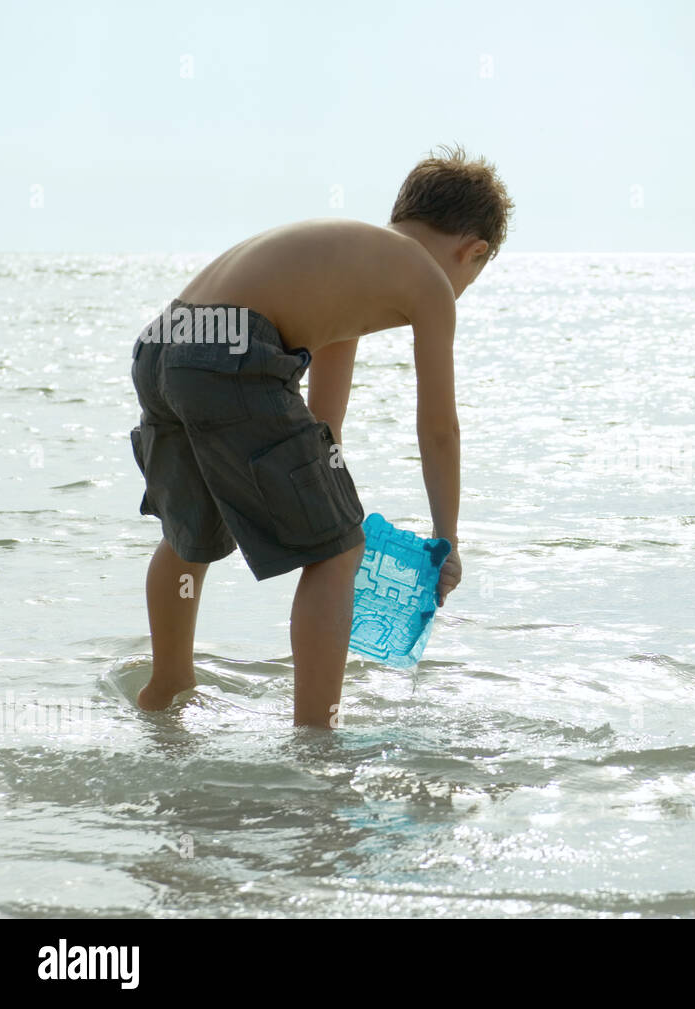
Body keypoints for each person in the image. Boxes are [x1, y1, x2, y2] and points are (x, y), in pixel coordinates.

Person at [127, 144, 512, 727]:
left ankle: (166, 692)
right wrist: (447, 540)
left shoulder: (352, 258)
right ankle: (316, 735)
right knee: (339, 552)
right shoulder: (427, 281)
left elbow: (321, 431)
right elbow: (439, 429)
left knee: (190, 534)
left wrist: (325, 494)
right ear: (473, 251)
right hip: (227, 350)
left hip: (169, 340)